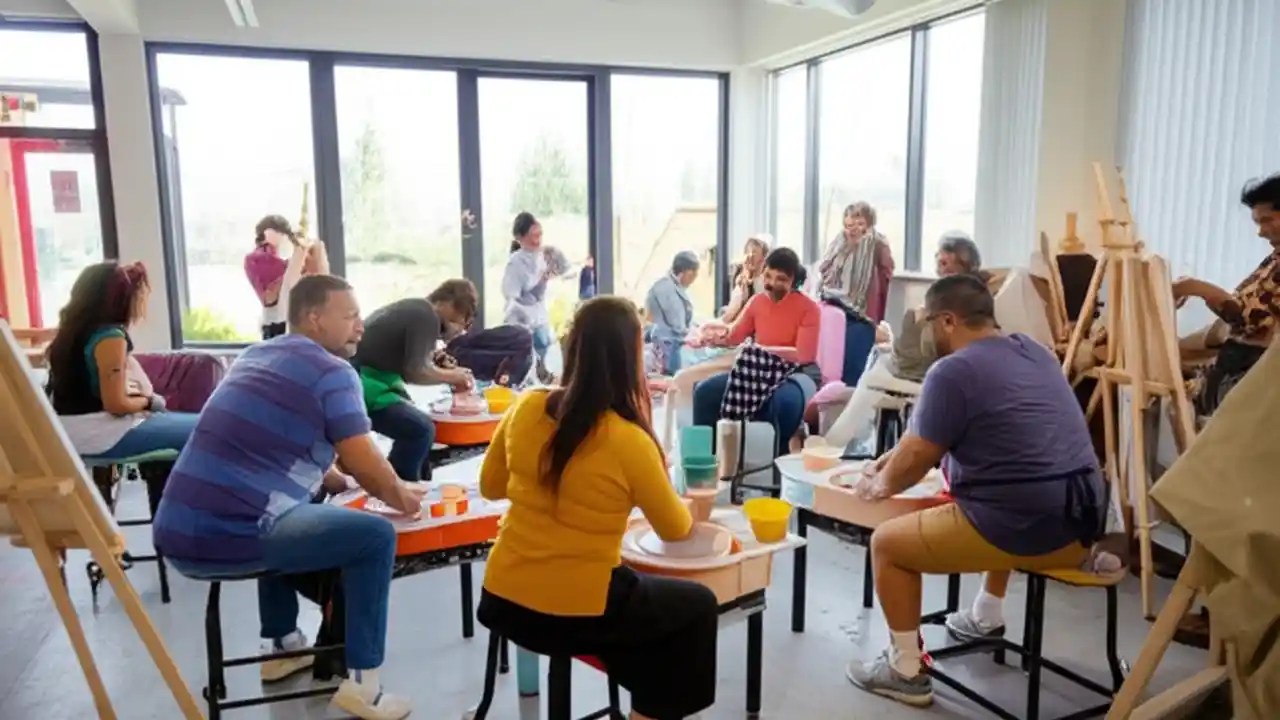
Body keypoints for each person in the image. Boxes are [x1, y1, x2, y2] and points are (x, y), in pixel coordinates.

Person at [153, 275, 426, 720]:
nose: (362, 326)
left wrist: (334, 478)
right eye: (351, 316)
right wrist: (404, 496)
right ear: (315, 319)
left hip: (176, 532)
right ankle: (364, 689)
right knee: (374, 537)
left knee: (280, 508)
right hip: (234, 536)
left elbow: (270, 444)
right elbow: (366, 462)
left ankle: (281, 645)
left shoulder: (256, 355)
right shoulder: (333, 372)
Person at [844, 275, 1105, 708]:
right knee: (998, 490)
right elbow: (923, 441)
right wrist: (889, 459)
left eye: (927, 322)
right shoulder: (1034, 351)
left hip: (1028, 528)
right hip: (1083, 524)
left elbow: (914, 463)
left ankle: (905, 669)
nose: (924, 333)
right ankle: (986, 615)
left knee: (887, 544)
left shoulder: (953, 369)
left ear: (947, 320)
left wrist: (876, 484)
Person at [477, 296, 718, 720]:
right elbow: (675, 529)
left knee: (646, 611)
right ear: (631, 356)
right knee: (695, 607)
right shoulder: (628, 440)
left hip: (504, 596)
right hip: (576, 611)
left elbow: (491, 486)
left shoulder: (526, 406)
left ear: (573, 348)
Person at [824, 232, 982, 448]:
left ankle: (834, 446)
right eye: (938, 261)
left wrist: (916, 320)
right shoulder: (949, 295)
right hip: (908, 361)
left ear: (963, 266)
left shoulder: (962, 301)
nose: (940, 268)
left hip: (916, 371)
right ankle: (845, 440)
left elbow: (935, 349)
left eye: (945, 263)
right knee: (877, 358)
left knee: (871, 379)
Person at [46, 261, 199, 459]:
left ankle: (162, 486)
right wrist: (148, 402)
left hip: (68, 431)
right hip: (99, 434)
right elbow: (116, 405)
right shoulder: (110, 337)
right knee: (207, 428)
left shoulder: (69, 332)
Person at [694, 247, 822, 455]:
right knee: (704, 392)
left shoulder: (809, 309)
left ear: (794, 280)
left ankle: (773, 473)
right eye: (768, 276)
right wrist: (714, 337)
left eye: (781, 279)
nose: (772, 284)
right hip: (758, 370)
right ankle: (709, 462)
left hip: (798, 373)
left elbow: (803, 355)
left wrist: (760, 349)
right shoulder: (757, 302)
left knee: (780, 404)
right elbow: (734, 336)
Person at [1175, 173, 1280, 415]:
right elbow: (1238, 310)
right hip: (1239, 368)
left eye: (1267, 220)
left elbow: (1252, 321)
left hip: (1260, 380)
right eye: (1258, 223)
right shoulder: (1273, 259)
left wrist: (1196, 287)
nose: (1261, 232)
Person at [353, 279, 478, 481]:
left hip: (366, 376)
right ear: (445, 304)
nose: (456, 330)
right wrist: (454, 376)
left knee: (420, 433)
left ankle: (411, 485)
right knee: (420, 430)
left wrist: (440, 365)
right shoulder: (426, 315)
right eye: (459, 321)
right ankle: (397, 492)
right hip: (362, 381)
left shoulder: (416, 308)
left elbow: (414, 362)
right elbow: (415, 371)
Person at [817, 202, 895, 385]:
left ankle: (850, 389)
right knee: (834, 352)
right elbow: (825, 267)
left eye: (859, 224)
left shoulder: (877, 241)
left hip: (861, 308)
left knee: (855, 354)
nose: (854, 229)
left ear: (868, 223)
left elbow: (887, 271)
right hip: (834, 300)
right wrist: (846, 248)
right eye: (849, 225)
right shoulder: (840, 240)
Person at [244, 214, 329, 340]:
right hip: (281, 325)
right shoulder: (259, 258)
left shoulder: (258, 260)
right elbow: (271, 296)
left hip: (280, 325)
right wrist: (299, 259)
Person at [503, 211, 555, 382]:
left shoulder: (541, 256)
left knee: (544, 343)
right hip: (521, 317)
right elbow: (512, 296)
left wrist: (544, 281)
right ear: (520, 237)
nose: (537, 240)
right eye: (533, 236)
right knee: (526, 359)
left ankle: (541, 376)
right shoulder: (515, 263)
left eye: (539, 235)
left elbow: (537, 294)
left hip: (537, 315)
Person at [645, 251, 700, 375]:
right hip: (666, 347)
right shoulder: (665, 287)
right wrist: (697, 334)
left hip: (671, 345)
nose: (693, 280)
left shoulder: (673, 286)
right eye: (693, 275)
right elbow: (677, 324)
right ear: (686, 272)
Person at [721, 234, 770, 323]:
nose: (750, 256)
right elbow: (731, 313)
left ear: (763, 259)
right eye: (747, 252)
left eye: (754, 252)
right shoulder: (740, 281)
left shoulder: (767, 283)